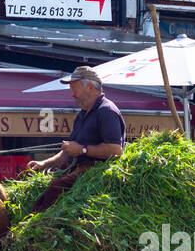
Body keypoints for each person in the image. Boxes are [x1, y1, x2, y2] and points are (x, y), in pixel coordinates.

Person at [26, 66, 126, 213]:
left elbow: (115, 150)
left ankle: (34, 226)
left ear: (90, 88)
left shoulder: (107, 111)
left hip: (98, 171)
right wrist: (44, 163)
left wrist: (82, 149)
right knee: (43, 187)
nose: (72, 94)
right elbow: (68, 150)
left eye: (74, 89)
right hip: (79, 169)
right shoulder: (82, 114)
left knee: (56, 187)